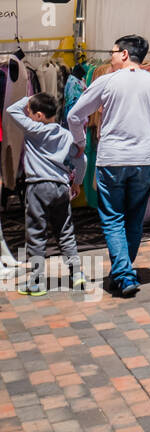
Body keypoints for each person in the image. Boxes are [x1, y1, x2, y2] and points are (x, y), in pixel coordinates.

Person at [68, 34, 150, 298]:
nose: (111, 57)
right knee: (134, 218)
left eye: (113, 52)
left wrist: (80, 143)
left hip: (113, 160)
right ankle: (123, 271)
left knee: (113, 218)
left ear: (125, 54)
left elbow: (74, 115)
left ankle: (124, 273)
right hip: (145, 159)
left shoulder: (106, 81)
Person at [7, 93, 84, 296]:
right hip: (60, 187)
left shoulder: (34, 130)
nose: (27, 115)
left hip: (37, 186)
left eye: (30, 112)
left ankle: (37, 281)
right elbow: (80, 159)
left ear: (39, 115)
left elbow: (11, 110)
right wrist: (77, 183)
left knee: (36, 234)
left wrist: (29, 97)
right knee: (65, 232)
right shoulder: (66, 135)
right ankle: (77, 274)